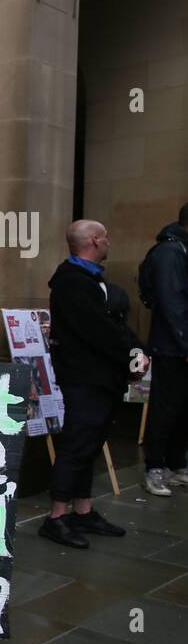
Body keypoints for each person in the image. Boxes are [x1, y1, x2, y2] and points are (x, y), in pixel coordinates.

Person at [42, 220, 149, 545]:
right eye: (106, 236)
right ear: (94, 241)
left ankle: (83, 510)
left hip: (101, 377)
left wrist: (137, 352)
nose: (109, 242)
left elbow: (114, 325)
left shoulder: (89, 279)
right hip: (84, 377)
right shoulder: (72, 284)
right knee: (76, 445)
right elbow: (99, 331)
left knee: (90, 444)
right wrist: (132, 356)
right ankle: (57, 516)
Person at [139, 204, 188, 497]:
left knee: (182, 407)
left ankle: (175, 463)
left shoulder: (178, 249)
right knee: (167, 406)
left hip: (178, 342)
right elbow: (172, 303)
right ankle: (156, 467)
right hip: (173, 346)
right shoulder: (170, 252)